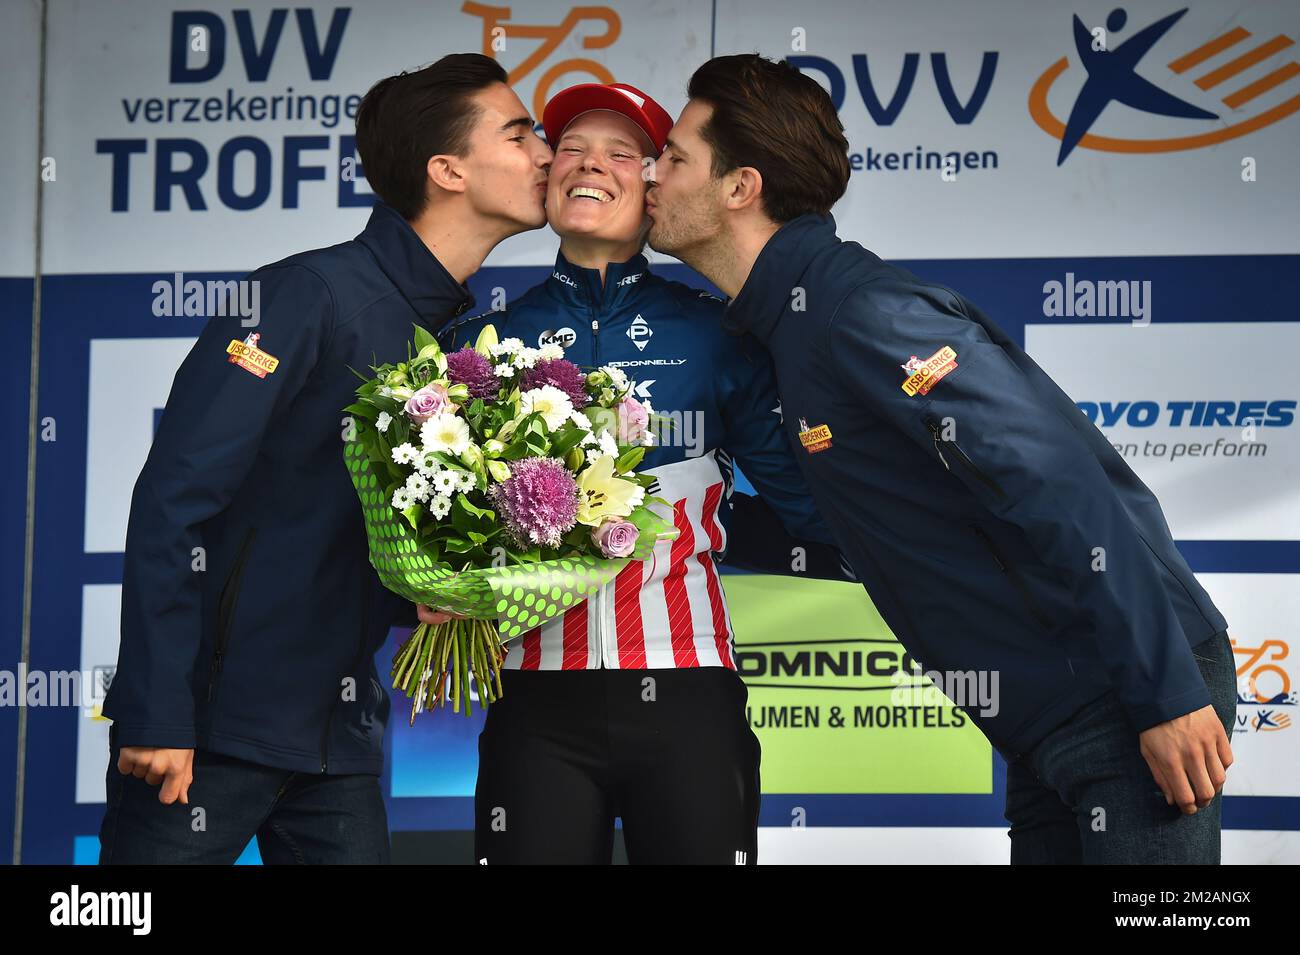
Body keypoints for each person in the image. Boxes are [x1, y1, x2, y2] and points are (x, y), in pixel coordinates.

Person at [643, 53, 1237, 864]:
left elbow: (1056, 479)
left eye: (674, 157)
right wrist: (641, 520)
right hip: (1049, 720)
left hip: (1123, 692)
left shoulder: (860, 312)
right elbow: (852, 535)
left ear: (739, 187)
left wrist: (1164, 691)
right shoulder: (787, 332)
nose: (652, 174)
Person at [99, 53, 553, 864]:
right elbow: (176, 499)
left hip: (336, 746)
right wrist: (157, 710)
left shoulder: (458, 345)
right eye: (520, 133)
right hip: (207, 734)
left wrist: (429, 596)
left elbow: (342, 532)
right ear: (447, 170)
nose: (546, 154)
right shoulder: (306, 295)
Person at [437, 82, 842, 864]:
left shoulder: (719, 330)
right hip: (534, 694)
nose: (591, 164)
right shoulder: (478, 338)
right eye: (572, 149)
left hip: (687, 686)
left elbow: (807, 503)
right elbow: (436, 518)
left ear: (655, 185)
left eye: (622, 152)